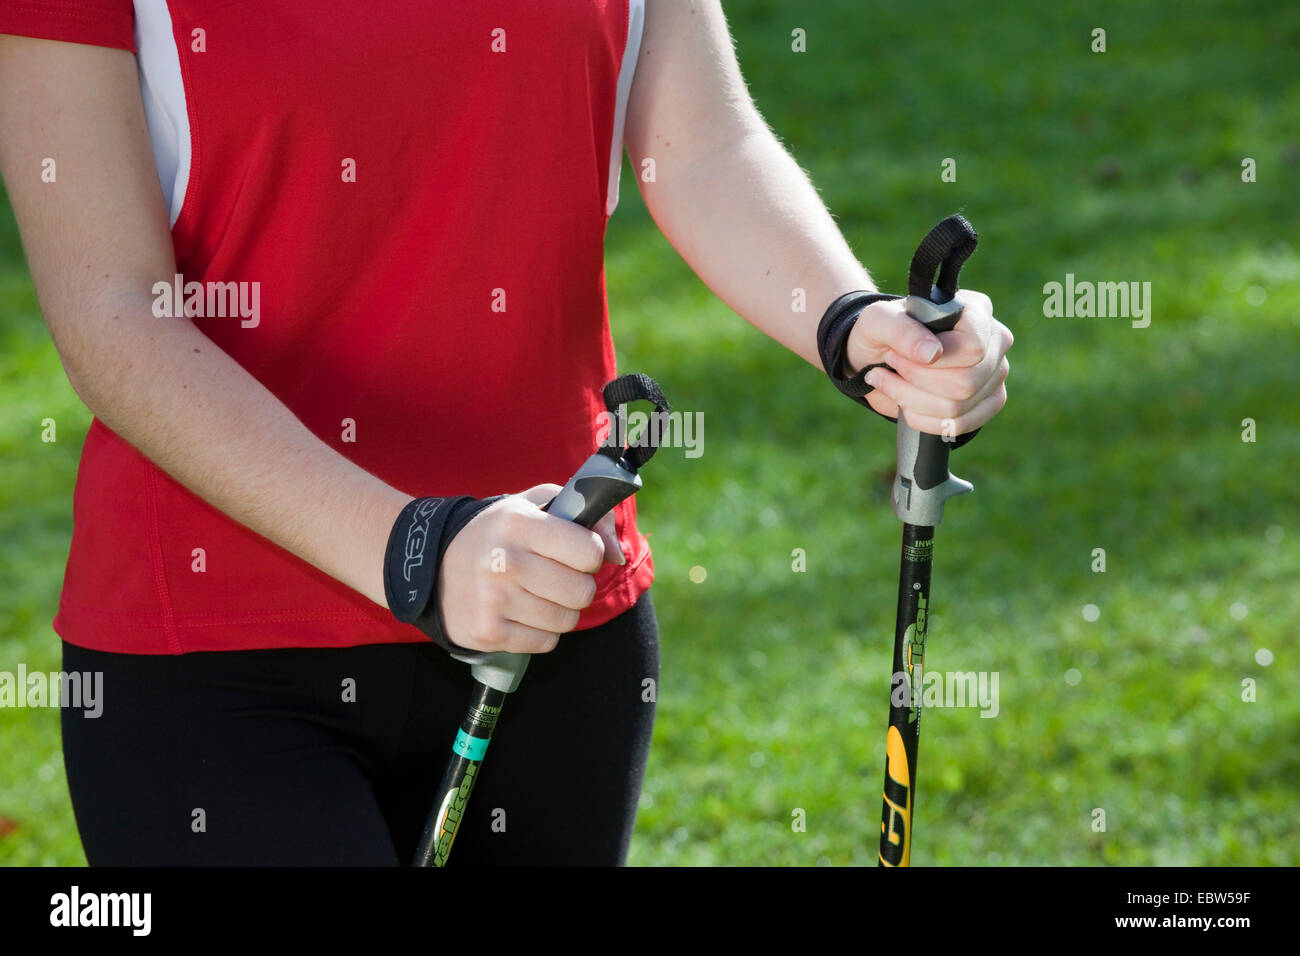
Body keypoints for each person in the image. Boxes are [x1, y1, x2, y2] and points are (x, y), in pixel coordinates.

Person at [0, 0, 1012, 865]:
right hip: (220, 658)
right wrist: (417, 547)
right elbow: (112, 309)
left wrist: (848, 321)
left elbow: (704, 146)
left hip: (555, 615)